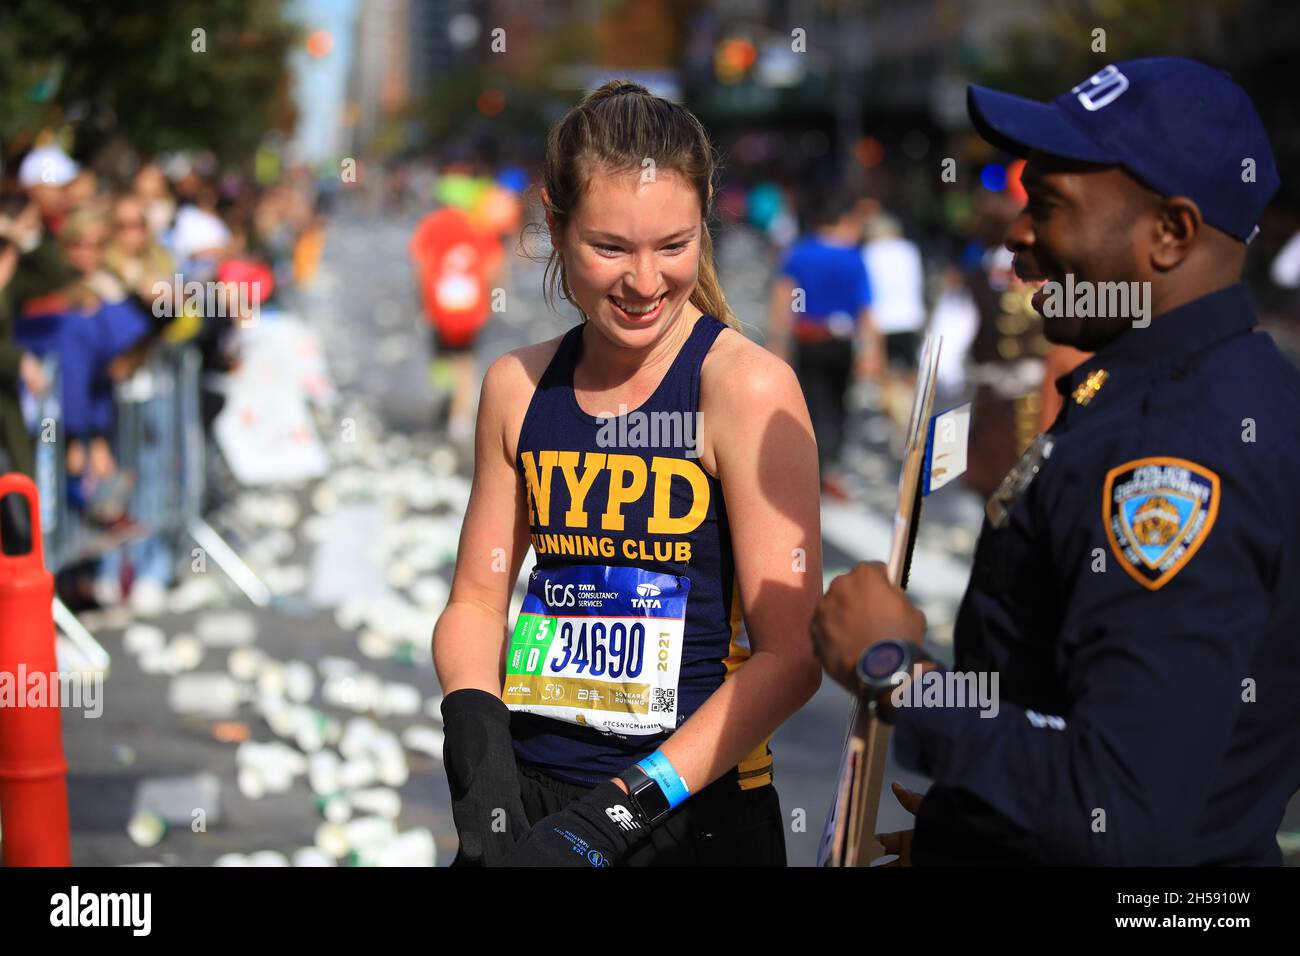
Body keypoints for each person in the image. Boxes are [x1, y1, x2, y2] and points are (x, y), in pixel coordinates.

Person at [811, 58, 1300, 866]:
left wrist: (895, 673)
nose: (1019, 234)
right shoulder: (1210, 386)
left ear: (1170, 233)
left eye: (1050, 206)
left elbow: (1123, 804)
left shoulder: (1174, 451)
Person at [433, 80, 823, 867]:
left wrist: (618, 813)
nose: (645, 283)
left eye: (673, 246)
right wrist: (481, 764)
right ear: (555, 225)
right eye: (611, 248)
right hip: (539, 795)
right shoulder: (518, 386)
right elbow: (478, 598)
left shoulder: (744, 387)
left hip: (693, 811)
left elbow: (793, 656)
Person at [767, 189, 880, 498]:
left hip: (808, 339)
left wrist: (779, 340)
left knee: (810, 402)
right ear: (843, 221)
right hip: (841, 343)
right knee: (838, 403)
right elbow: (866, 309)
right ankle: (828, 465)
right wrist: (870, 351)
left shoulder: (800, 253)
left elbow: (783, 298)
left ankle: (809, 465)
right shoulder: (854, 258)